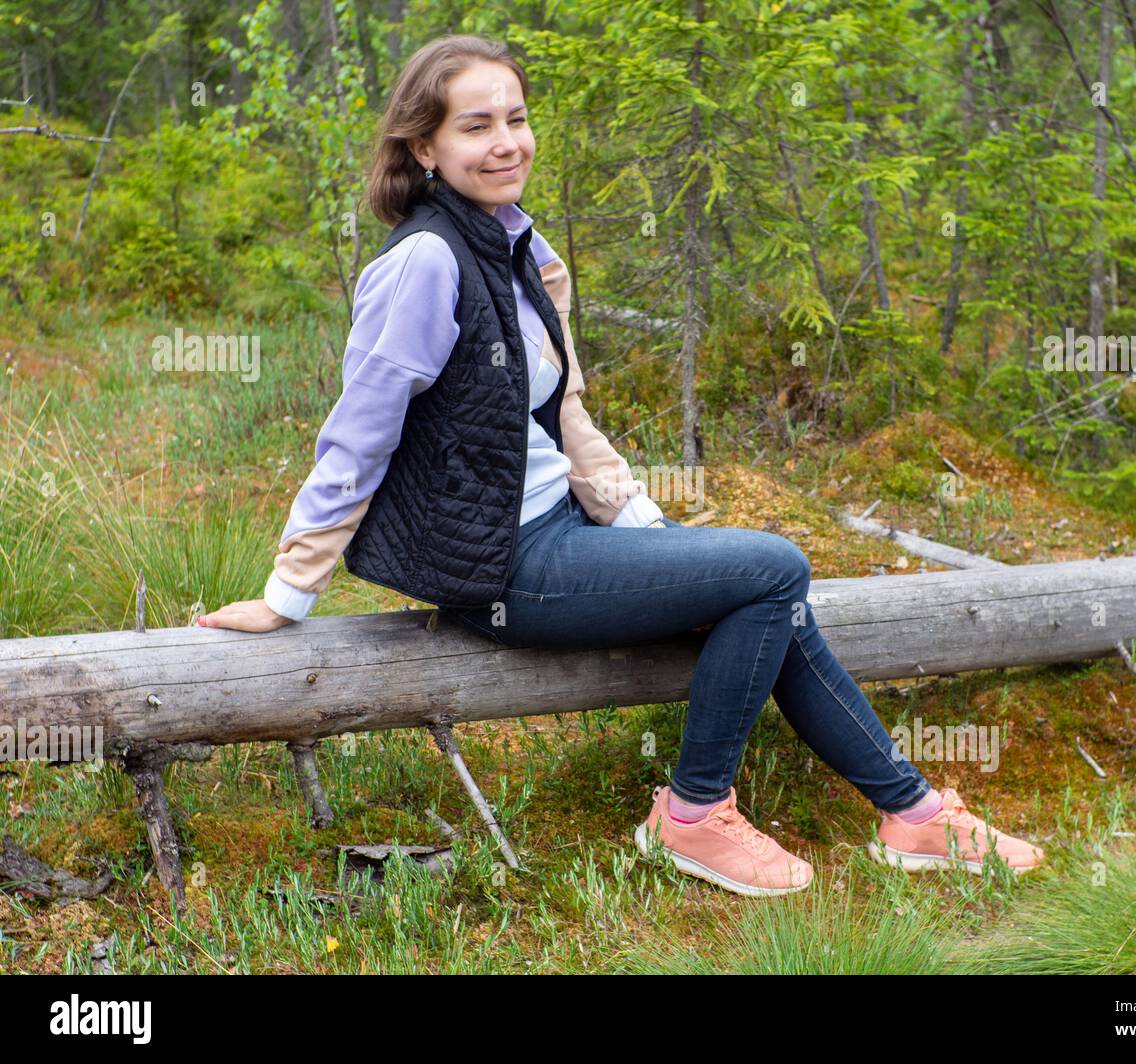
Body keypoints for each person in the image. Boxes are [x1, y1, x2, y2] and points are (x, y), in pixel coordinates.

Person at [197, 34, 1045, 897]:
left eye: (517, 120)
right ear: (425, 148)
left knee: (767, 595)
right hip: (501, 566)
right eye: (476, 126)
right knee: (775, 569)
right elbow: (359, 430)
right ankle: (692, 816)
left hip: (561, 533)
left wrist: (645, 528)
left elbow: (563, 415)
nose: (506, 142)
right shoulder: (425, 262)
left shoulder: (518, 250)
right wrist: (288, 592)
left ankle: (913, 818)